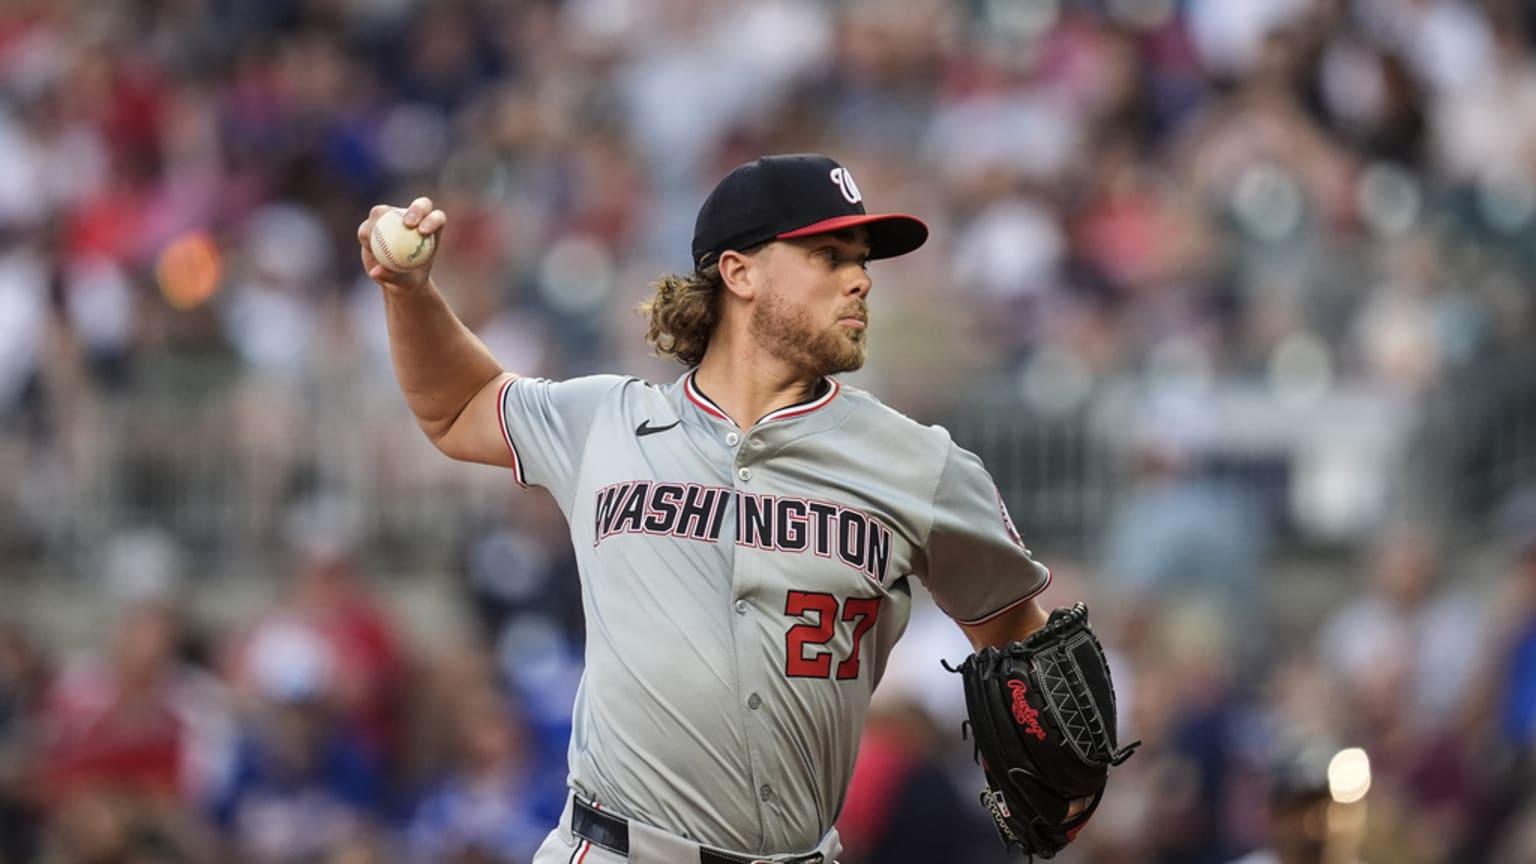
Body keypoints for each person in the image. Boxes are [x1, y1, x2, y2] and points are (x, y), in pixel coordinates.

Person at [358, 153, 1102, 863]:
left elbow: (1016, 637)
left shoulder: (919, 465)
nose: (860, 281)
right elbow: (458, 407)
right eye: (829, 256)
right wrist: (408, 291)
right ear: (738, 272)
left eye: (862, 261)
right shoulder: (608, 423)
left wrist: (1058, 761)